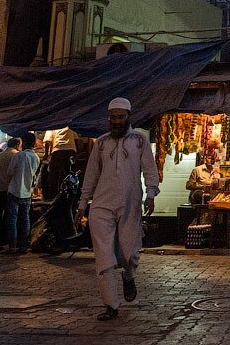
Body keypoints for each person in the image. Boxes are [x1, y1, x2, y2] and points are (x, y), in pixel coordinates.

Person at [79, 97, 160, 321]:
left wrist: (151, 194)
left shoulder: (140, 141)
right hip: (101, 206)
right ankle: (110, 305)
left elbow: (150, 170)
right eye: (112, 117)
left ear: (128, 117)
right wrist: (83, 203)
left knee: (129, 253)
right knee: (103, 255)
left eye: (120, 117)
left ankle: (129, 276)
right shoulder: (101, 143)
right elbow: (91, 175)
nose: (116, 121)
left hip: (130, 203)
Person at [3, 132, 40, 255]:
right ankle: (24, 246)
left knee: (12, 220)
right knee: (25, 219)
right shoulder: (36, 158)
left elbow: (9, 172)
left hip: (14, 190)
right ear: (34, 143)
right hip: (27, 192)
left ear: (23, 142)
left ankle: (12, 246)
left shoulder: (18, 156)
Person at [0, 137, 21, 247]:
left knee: (1, 215)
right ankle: (11, 241)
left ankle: (0, 239)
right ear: (17, 144)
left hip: (0, 188)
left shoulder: (0, 155)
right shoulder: (16, 155)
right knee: (11, 217)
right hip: (11, 189)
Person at [43, 127, 82, 198]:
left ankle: (53, 196)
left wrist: (46, 154)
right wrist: (77, 152)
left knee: (54, 175)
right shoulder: (70, 126)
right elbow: (76, 140)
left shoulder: (53, 125)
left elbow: (47, 141)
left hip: (58, 150)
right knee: (69, 174)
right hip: (71, 151)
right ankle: (70, 194)